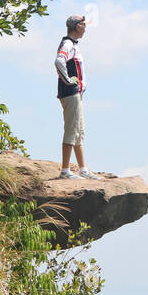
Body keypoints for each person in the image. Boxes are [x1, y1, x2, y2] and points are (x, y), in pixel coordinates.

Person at [54, 14, 97, 179]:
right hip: (70, 93)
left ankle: (83, 169)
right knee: (72, 130)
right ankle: (65, 170)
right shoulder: (67, 44)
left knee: (79, 130)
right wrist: (69, 82)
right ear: (77, 26)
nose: (85, 29)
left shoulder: (72, 44)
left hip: (75, 93)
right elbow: (59, 61)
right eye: (84, 25)